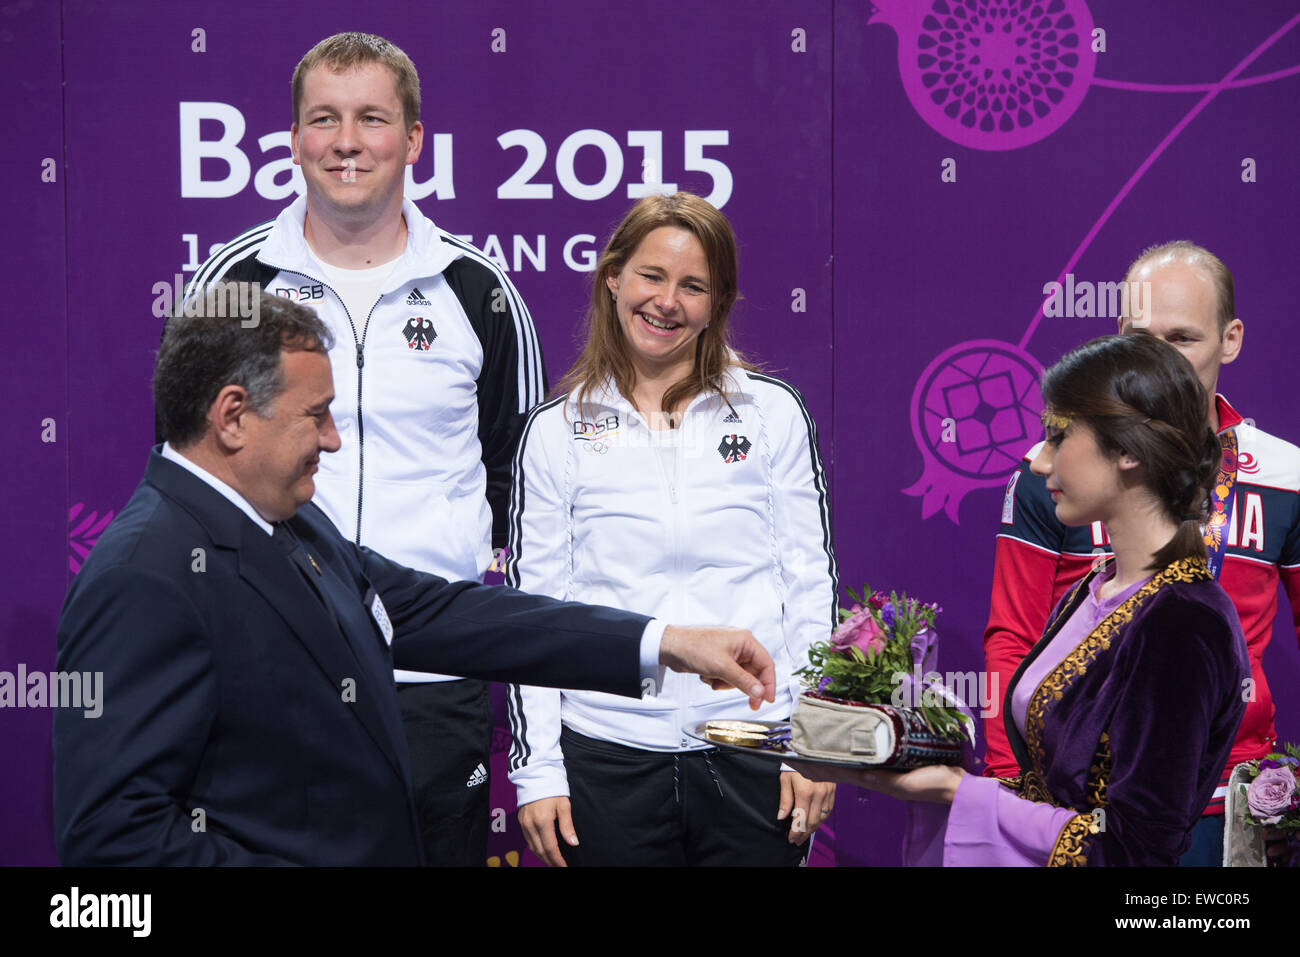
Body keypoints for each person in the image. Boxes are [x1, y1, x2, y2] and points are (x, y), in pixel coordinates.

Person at [53, 292, 778, 866]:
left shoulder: (290, 523)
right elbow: (114, 836)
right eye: (317, 415)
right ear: (233, 416)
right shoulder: (145, 576)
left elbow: (445, 615)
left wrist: (666, 641)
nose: (333, 438)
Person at [177, 33, 546, 865]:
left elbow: (523, 492)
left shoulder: (479, 291)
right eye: (324, 120)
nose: (347, 141)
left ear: (413, 139)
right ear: (296, 139)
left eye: (372, 118)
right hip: (270, 674)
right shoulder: (233, 284)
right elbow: (191, 488)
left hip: (432, 682)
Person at [795, 334, 1250, 866]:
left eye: (1058, 435)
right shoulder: (1096, 586)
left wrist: (956, 792)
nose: (1037, 461)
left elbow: (1133, 853)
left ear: (1127, 450)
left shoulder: (1183, 622)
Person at [504, 192, 839, 866]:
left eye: (693, 286)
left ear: (717, 304)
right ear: (613, 278)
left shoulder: (772, 413)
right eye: (651, 276)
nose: (667, 301)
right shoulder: (554, 429)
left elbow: (808, 582)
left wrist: (817, 738)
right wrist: (539, 768)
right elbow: (535, 614)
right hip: (606, 755)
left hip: (754, 749)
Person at [983, 241, 1300, 865]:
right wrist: (1005, 791)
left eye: (1182, 338)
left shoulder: (1286, 474)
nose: (1161, 362)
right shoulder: (1059, 472)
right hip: (1083, 800)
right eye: (1141, 337)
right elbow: (1012, 637)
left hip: (1231, 799)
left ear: (1230, 340)